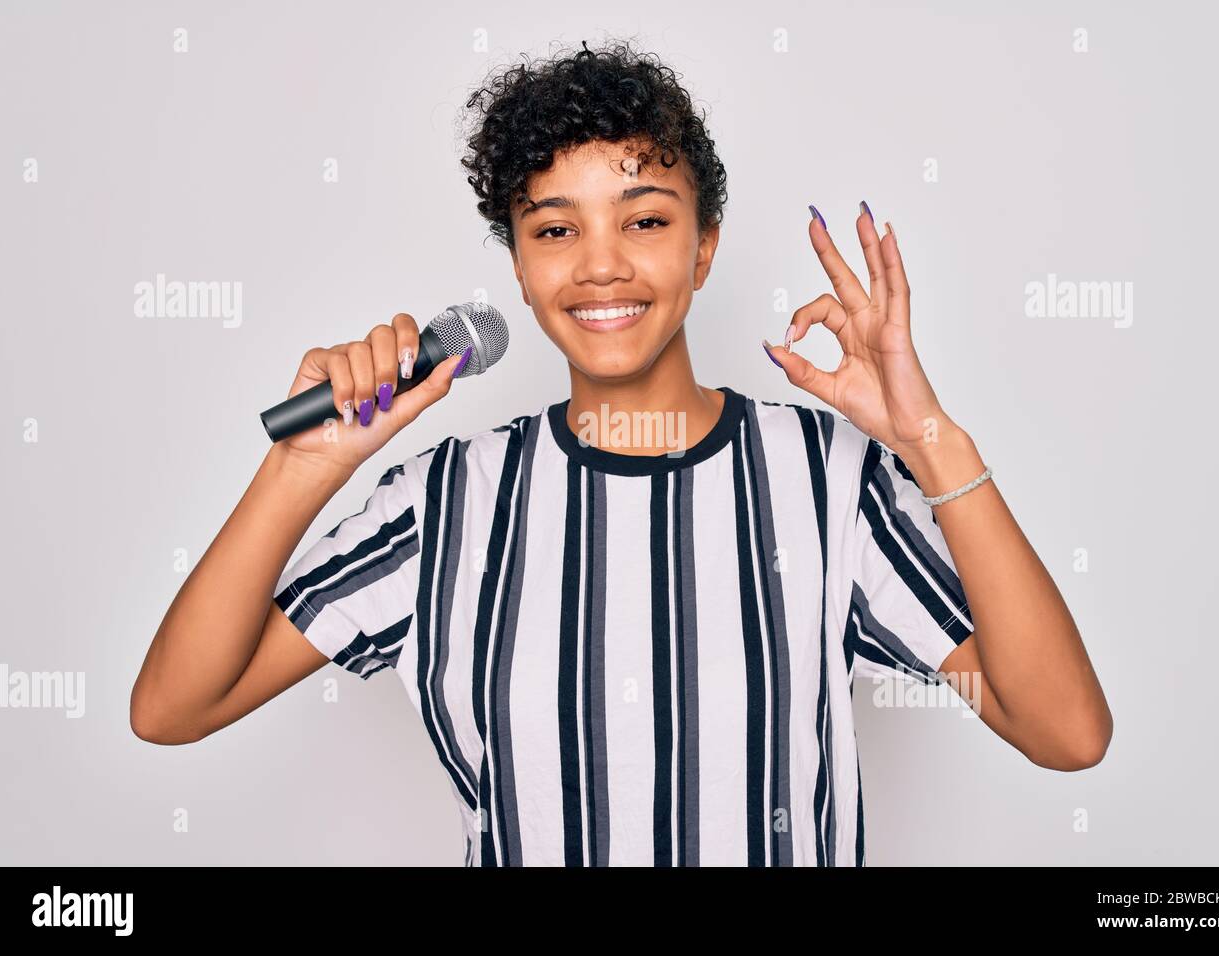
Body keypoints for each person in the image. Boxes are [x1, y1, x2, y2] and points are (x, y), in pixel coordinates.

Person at [132, 39, 1111, 866]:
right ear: (516, 264)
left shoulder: (826, 479)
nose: (601, 262)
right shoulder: (443, 504)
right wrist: (304, 468)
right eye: (554, 228)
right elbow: (175, 704)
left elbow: (1064, 730)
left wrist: (929, 441)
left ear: (704, 247)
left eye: (644, 219)